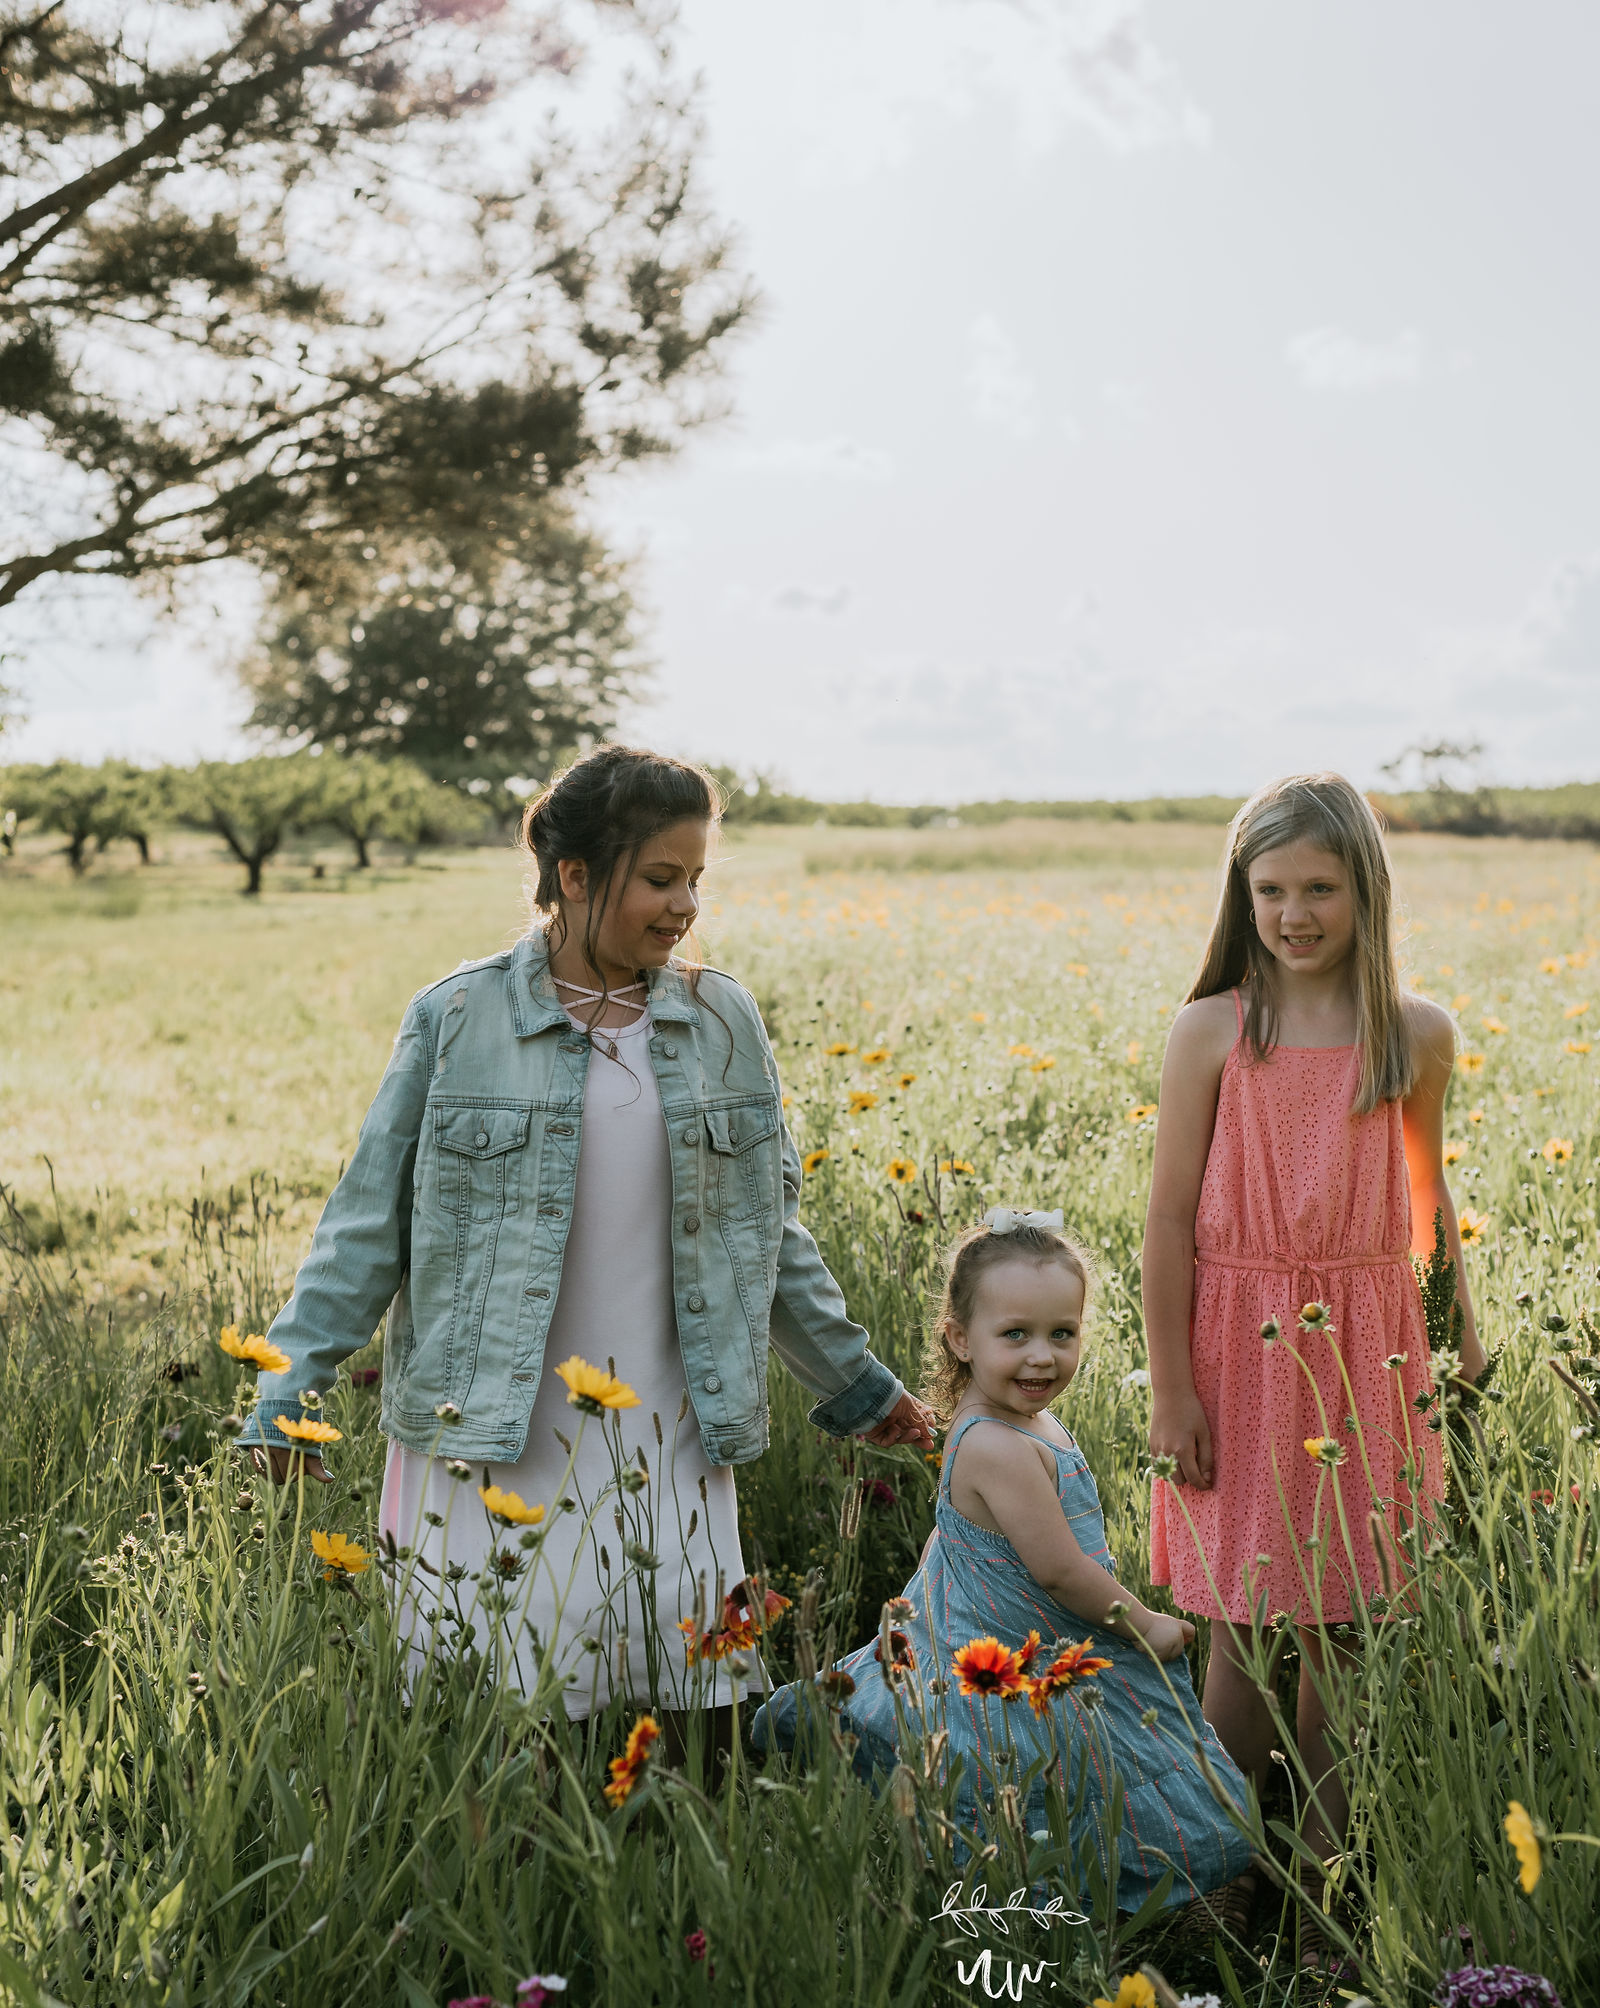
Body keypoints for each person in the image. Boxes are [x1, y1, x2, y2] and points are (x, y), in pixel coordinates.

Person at [239, 743, 934, 1749]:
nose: (685, 904)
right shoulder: (458, 1017)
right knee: (497, 1721)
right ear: (573, 875)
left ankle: (674, 1895)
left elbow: (767, 1239)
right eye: (660, 877)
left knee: (691, 1723)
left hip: (670, 1428)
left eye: (696, 878)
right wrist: (284, 1390)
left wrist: (860, 1387)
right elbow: (363, 1227)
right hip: (493, 1424)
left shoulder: (721, 1018)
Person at [1141, 769, 1483, 1967]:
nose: (1294, 911)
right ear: (1242, 892)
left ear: (1364, 890)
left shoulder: (1413, 1033)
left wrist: (1458, 1336)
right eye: (1270, 886)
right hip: (1238, 1346)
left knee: (1339, 1635)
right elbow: (1169, 1219)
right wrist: (1172, 1386)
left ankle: (1327, 1894)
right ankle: (1218, 1879)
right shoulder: (1214, 1031)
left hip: (1369, 1351)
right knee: (1239, 1631)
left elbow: (1430, 1205)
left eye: (1320, 888)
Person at [753, 1214, 1258, 1926]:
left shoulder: (1014, 1420)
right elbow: (1058, 1572)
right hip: (1023, 1639)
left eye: (1062, 1334)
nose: (1041, 1358)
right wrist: (1145, 1623)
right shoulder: (997, 1444)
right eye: (1015, 1334)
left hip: (1017, 1622)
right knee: (1061, 1767)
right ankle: (1110, 1902)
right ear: (961, 1337)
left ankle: (1134, 1889)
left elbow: (958, 1536)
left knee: (1086, 1766)